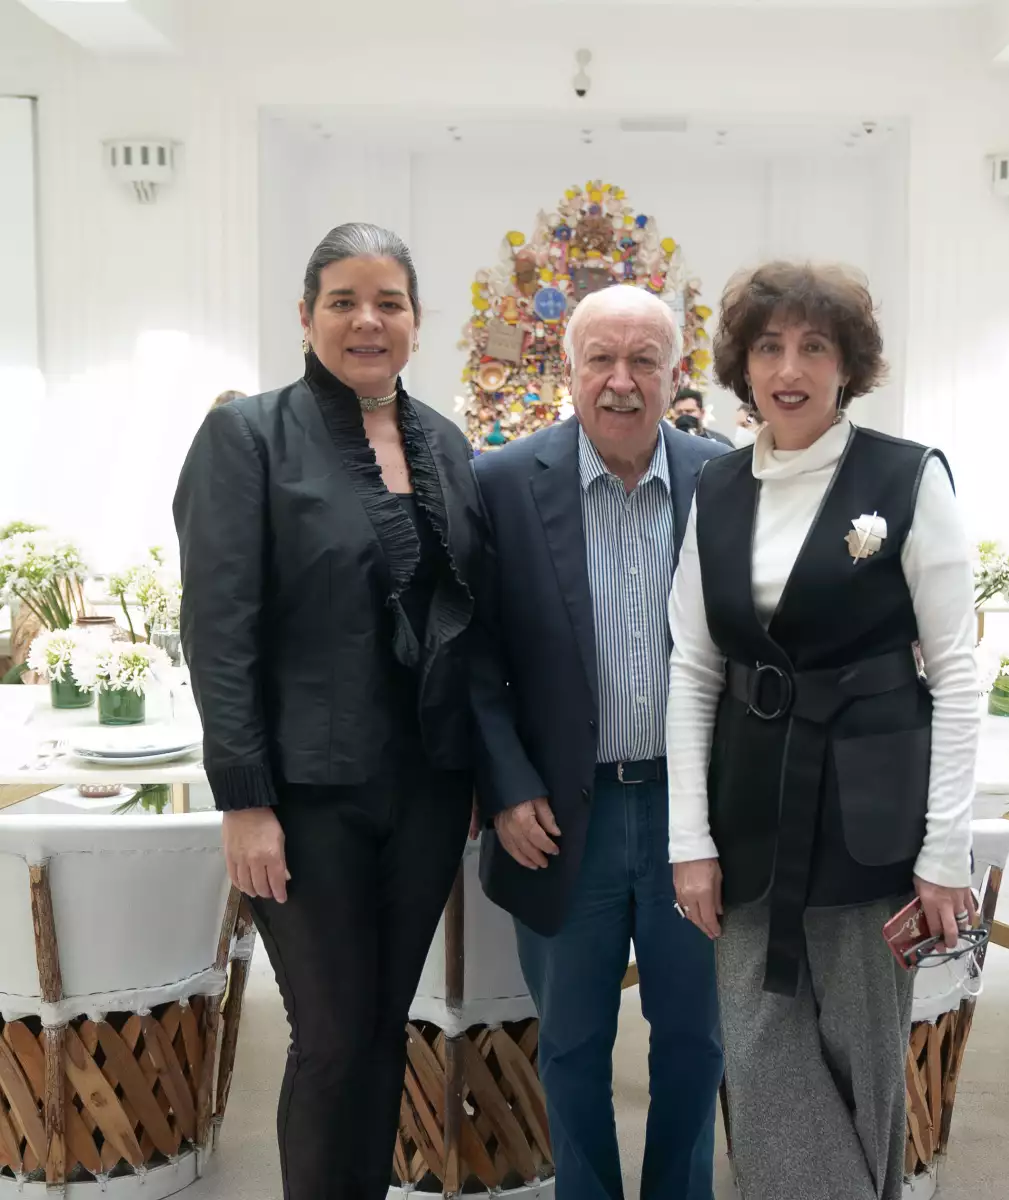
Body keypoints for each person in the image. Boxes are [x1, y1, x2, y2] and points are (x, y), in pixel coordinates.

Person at [174, 222, 482, 1200]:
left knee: (384, 1028)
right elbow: (219, 631)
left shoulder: (447, 442)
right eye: (343, 300)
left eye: (388, 301)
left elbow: (468, 617)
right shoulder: (248, 436)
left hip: (426, 792)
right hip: (304, 800)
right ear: (305, 316)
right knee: (334, 1035)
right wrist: (244, 800)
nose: (366, 320)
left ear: (417, 322)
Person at [666, 262, 979, 1200]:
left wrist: (947, 852)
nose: (788, 368)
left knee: (863, 1056)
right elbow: (692, 669)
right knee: (758, 1052)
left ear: (848, 366)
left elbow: (958, 669)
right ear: (742, 366)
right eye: (769, 347)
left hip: (874, 812)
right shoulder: (715, 490)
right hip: (750, 805)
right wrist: (690, 840)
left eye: (813, 347)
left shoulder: (907, 475)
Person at [471, 286, 728, 1200]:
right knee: (573, 1044)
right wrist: (503, 786)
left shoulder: (719, 478)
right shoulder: (501, 483)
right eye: (601, 361)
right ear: (568, 369)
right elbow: (473, 655)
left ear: (673, 372)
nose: (622, 382)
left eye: (645, 361)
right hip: (556, 814)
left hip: (687, 817)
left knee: (696, 1039)